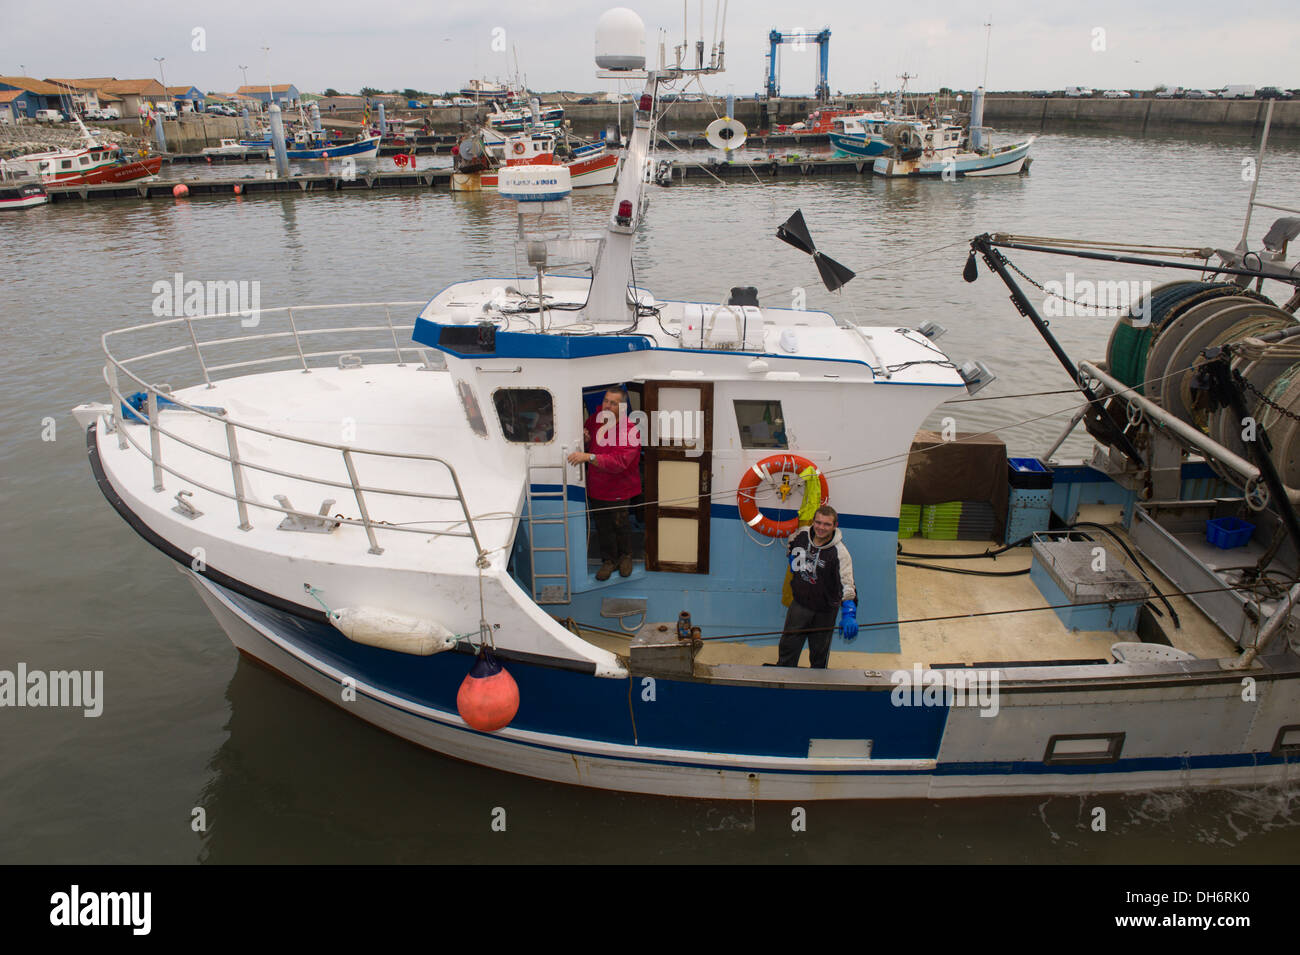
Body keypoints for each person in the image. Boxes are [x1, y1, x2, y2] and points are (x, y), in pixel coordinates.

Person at [568, 386, 641, 580]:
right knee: (603, 526)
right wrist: (584, 440)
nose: (606, 405)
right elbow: (586, 442)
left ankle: (626, 557)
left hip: (620, 488)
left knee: (621, 525)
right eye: (606, 400)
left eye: (613, 403)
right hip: (597, 486)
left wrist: (589, 456)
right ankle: (609, 561)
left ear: (623, 407)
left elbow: (620, 462)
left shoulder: (630, 430)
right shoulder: (595, 419)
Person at [778, 504, 857, 668]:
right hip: (799, 605)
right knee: (787, 649)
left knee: (819, 654)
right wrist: (792, 559)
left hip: (825, 611)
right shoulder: (801, 535)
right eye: (818, 522)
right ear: (813, 522)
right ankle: (783, 678)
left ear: (835, 526)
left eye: (827, 524)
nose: (821, 528)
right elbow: (791, 545)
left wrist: (849, 614)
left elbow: (847, 584)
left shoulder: (840, 553)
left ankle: (817, 683)